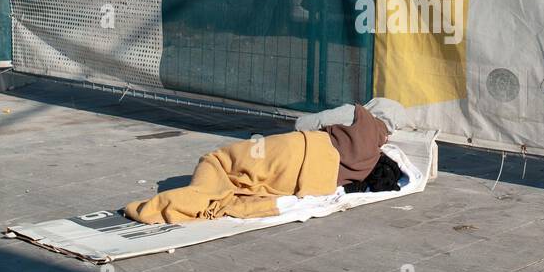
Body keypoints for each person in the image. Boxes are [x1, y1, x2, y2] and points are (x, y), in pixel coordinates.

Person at [123, 98, 406, 224]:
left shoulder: (357, 113)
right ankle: (226, 202)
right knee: (245, 187)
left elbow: (303, 123)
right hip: (310, 183)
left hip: (299, 150)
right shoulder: (374, 157)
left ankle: (164, 206)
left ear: (374, 107)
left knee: (219, 162)